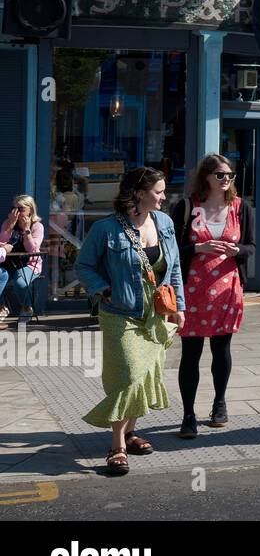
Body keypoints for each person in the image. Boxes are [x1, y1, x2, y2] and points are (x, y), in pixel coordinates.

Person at [75, 168, 185, 476]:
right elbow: (83, 266)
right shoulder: (106, 229)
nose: (164, 197)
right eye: (158, 191)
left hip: (156, 315)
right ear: (138, 193)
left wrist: (181, 308)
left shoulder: (164, 223)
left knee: (145, 375)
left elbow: (174, 269)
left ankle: (130, 433)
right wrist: (103, 290)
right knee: (128, 376)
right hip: (120, 313)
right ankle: (116, 445)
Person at [169, 154, 255, 439]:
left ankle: (220, 403)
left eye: (230, 175)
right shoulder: (186, 207)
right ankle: (188, 414)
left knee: (222, 349)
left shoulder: (241, 208)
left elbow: (251, 247)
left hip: (227, 289)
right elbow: (173, 250)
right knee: (191, 354)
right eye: (220, 175)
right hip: (192, 291)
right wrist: (198, 248)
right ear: (205, 177)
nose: (226, 180)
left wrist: (237, 251)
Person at [0, 196, 45, 321]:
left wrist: (26, 230)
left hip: (29, 264)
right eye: (13, 208)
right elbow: (1, 243)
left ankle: (27, 307)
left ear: (30, 209)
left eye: (20, 208)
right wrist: (10, 226)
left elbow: (32, 250)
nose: (16, 212)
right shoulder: (7, 223)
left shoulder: (37, 226)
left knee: (20, 282)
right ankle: (1, 307)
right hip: (8, 263)